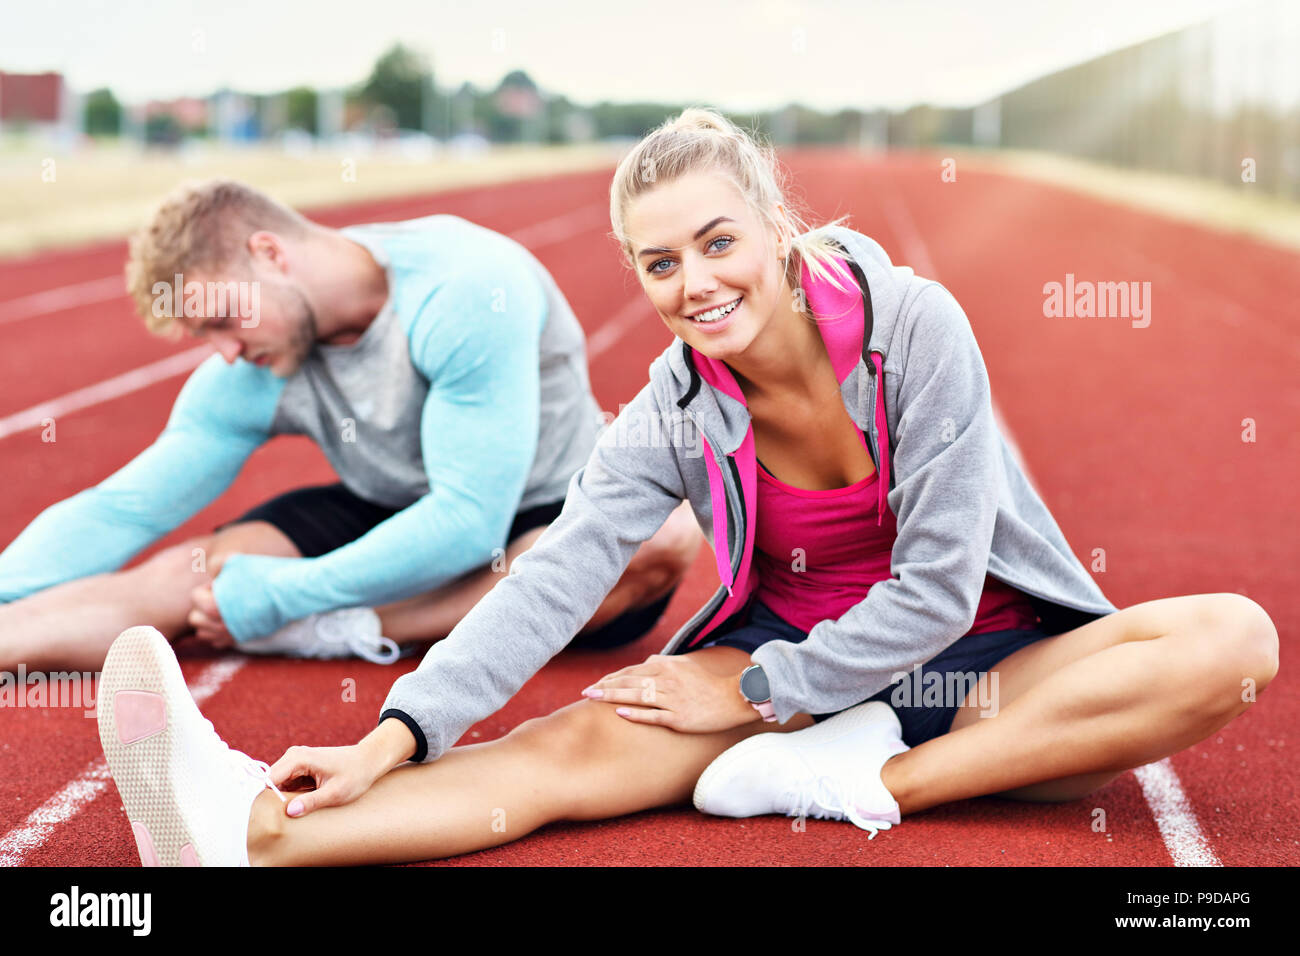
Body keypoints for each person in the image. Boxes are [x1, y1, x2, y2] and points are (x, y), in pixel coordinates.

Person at [96, 109, 1279, 866]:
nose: (696, 283)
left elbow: (937, 588)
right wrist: (397, 734)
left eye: (717, 242)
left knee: (1229, 639)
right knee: (562, 753)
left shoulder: (915, 327)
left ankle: (871, 779)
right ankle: (253, 826)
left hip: (983, 670)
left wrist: (765, 694)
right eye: (660, 263)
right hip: (780, 671)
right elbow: (553, 575)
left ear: (775, 226)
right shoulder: (670, 405)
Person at [0, 179, 701, 671]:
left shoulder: (463, 289)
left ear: (271, 255)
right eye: (203, 334)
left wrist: (288, 595)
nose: (225, 351)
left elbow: (469, 521)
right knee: (193, 573)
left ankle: (350, 626)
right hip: (389, 511)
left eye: (223, 319)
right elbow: (122, 510)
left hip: (532, 511)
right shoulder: (252, 366)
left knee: (662, 538)